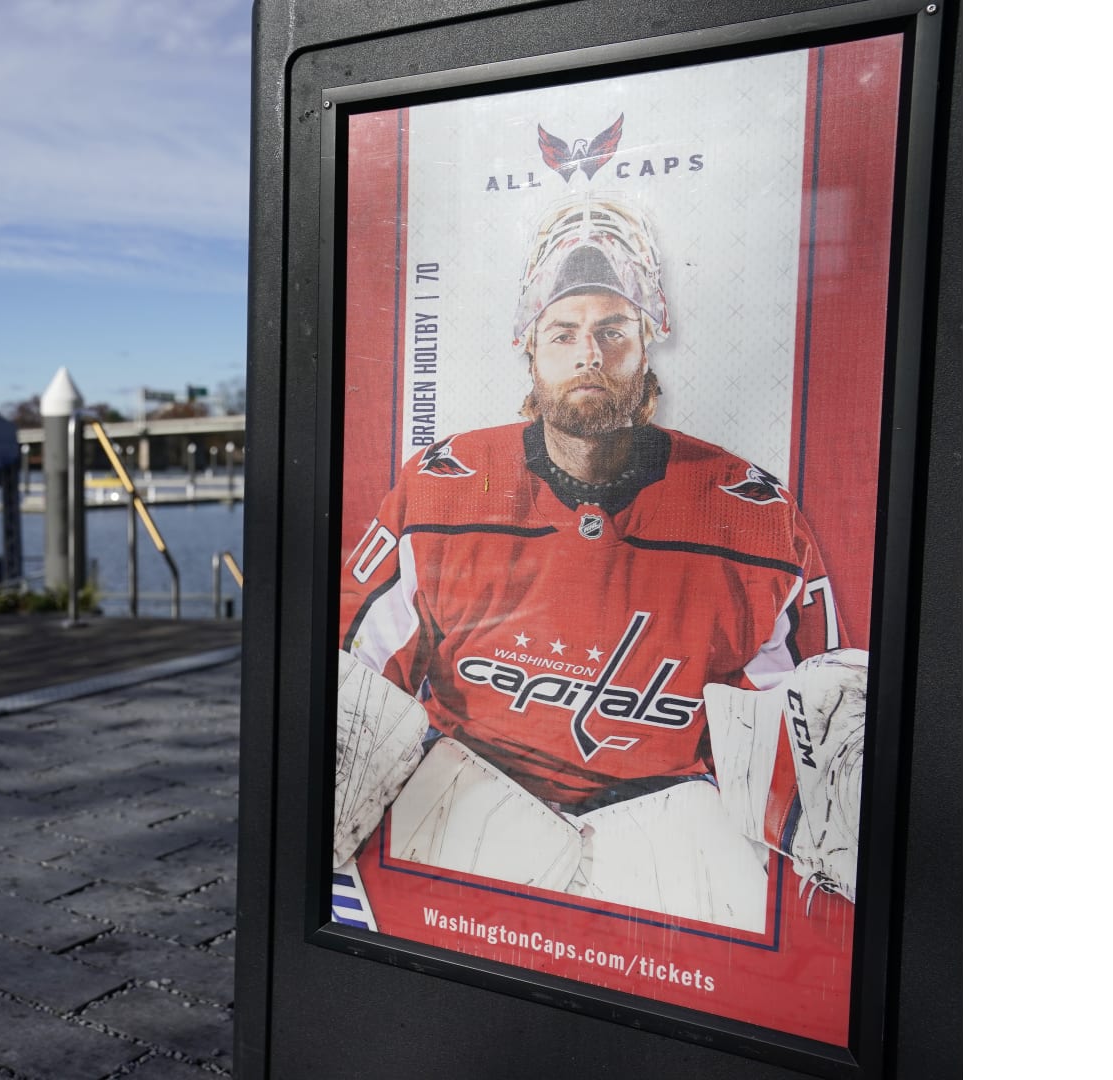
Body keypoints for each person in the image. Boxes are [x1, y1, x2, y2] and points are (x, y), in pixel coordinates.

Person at [333, 195, 865, 932]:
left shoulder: (755, 510)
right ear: (529, 348)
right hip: (469, 794)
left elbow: (816, 736)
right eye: (564, 333)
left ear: (648, 345)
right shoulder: (443, 483)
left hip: (671, 820)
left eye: (613, 330)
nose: (590, 354)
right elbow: (354, 691)